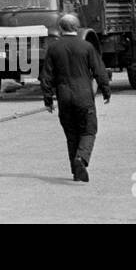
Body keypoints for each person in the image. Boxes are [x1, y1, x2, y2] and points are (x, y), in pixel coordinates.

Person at [40, 13, 111, 182]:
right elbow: (99, 71)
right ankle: (81, 159)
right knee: (88, 130)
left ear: (60, 28)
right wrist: (106, 90)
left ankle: (76, 171)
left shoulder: (54, 48)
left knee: (71, 135)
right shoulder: (86, 47)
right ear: (77, 28)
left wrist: (48, 99)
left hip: (64, 97)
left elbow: (46, 76)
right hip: (84, 96)